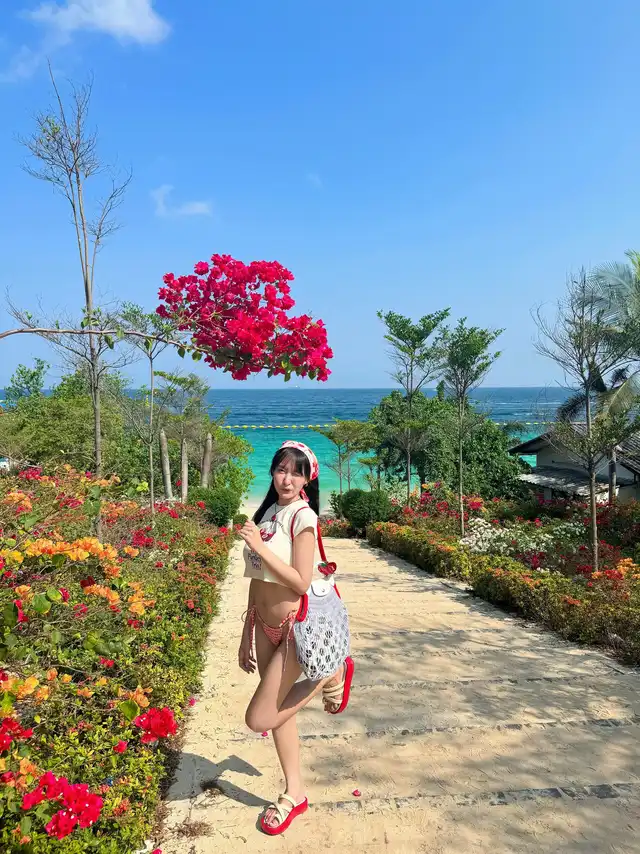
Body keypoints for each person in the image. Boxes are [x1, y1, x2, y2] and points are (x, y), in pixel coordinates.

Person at [238, 440, 354, 835]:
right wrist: (247, 631)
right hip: (264, 627)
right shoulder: (269, 512)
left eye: (296, 472)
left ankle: (328, 674)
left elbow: (301, 581)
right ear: (272, 472)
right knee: (279, 714)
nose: (286, 479)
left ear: (307, 479)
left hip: (292, 629)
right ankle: (295, 793)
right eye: (281, 469)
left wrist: (259, 546)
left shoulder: (303, 517)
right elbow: (257, 578)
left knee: (259, 718)